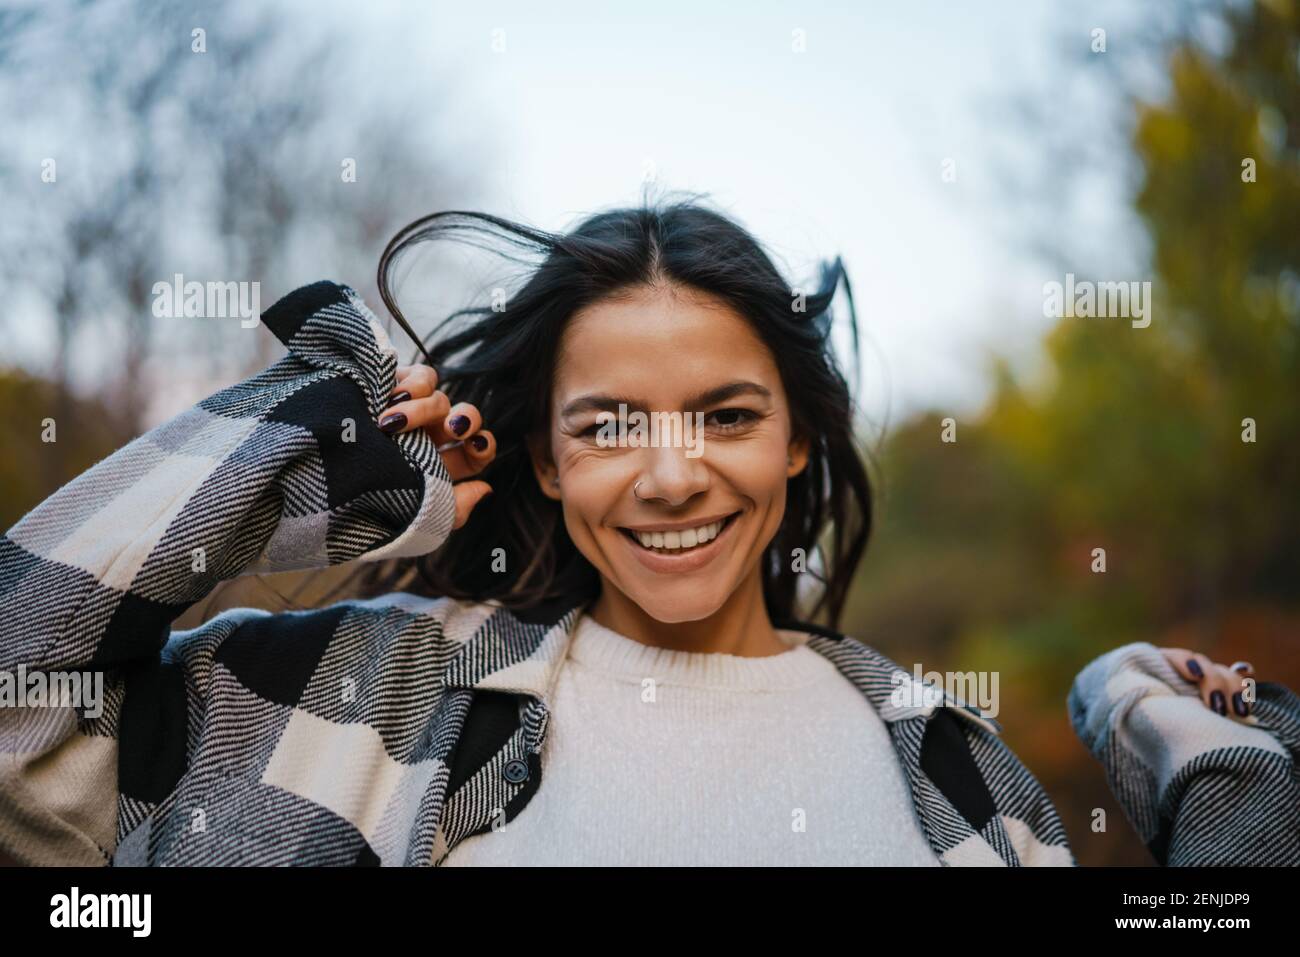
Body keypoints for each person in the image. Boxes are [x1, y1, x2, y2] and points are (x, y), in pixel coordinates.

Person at [1, 199, 1295, 866]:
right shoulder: (349, 688)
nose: (670, 477)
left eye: (725, 414)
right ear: (550, 463)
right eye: (609, 425)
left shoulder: (959, 762)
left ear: (795, 440)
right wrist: (330, 462)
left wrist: (1173, 744)